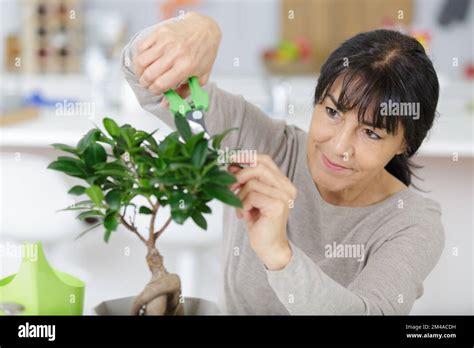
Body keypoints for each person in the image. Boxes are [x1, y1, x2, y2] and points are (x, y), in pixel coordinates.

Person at [121, 12, 445, 315]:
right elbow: (145, 80)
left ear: (405, 143)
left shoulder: (412, 224)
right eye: (332, 112)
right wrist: (197, 27)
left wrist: (279, 255)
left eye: (371, 133)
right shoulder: (263, 143)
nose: (339, 146)